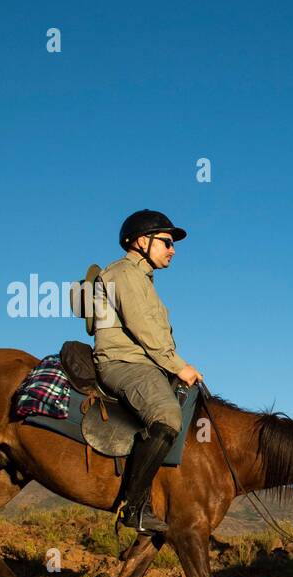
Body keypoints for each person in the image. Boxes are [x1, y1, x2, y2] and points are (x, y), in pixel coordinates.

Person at [93, 209, 204, 533]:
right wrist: (179, 366)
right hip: (124, 364)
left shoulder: (142, 280)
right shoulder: (124, 274)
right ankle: (135, 507)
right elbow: (143, 329)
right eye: (167, 241)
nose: (173, 249)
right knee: (168, 417)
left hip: (145, 363)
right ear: (142, 241)